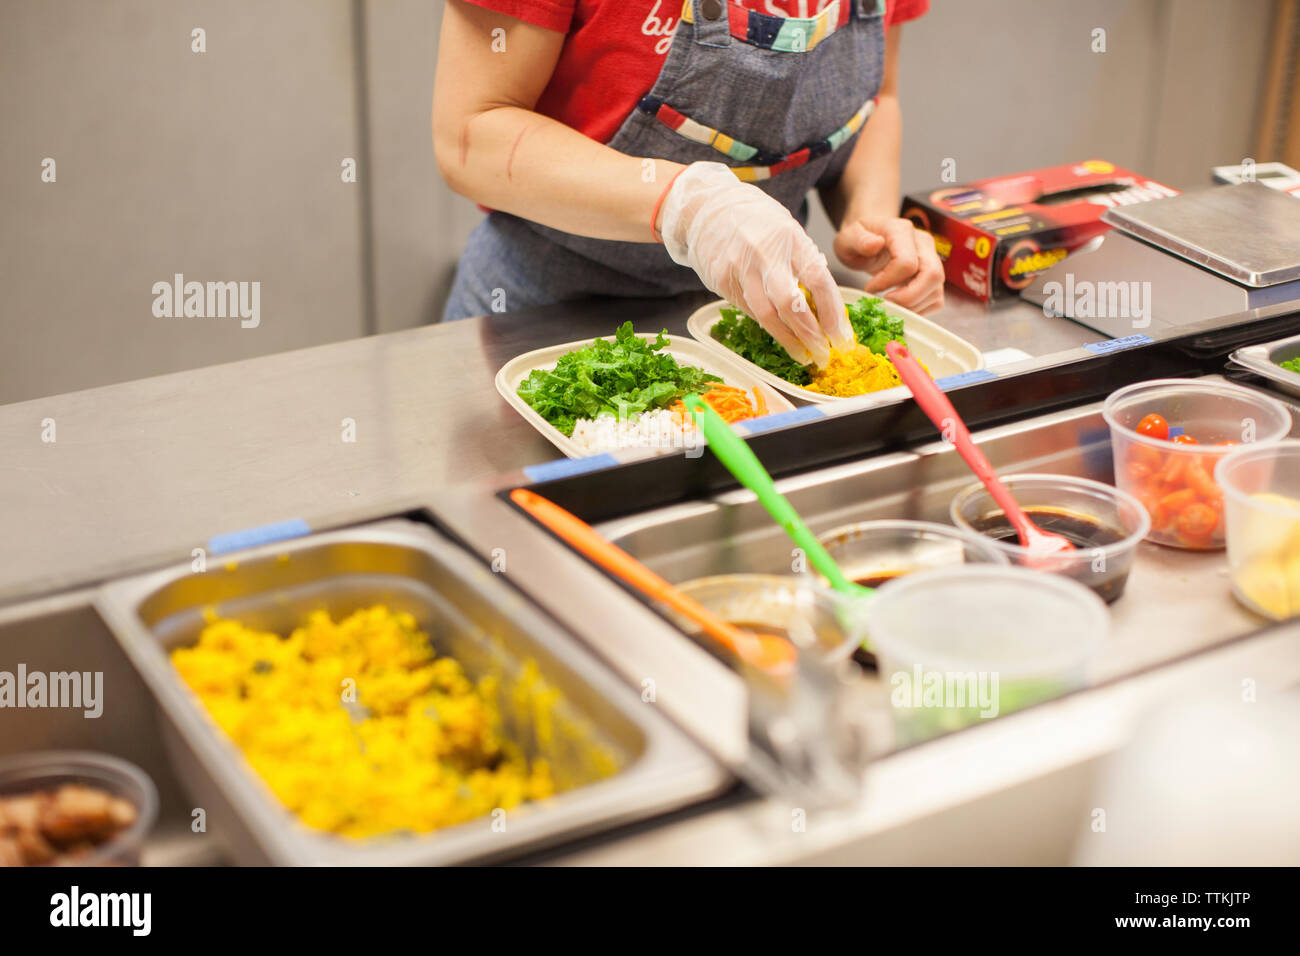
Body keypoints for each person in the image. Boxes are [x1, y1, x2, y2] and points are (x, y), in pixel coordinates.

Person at [434, 0, 942, 368]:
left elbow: (880, 99)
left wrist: (868, 215)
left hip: (761, 335)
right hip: (545, 325)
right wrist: (689, 206)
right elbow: (472, 134)